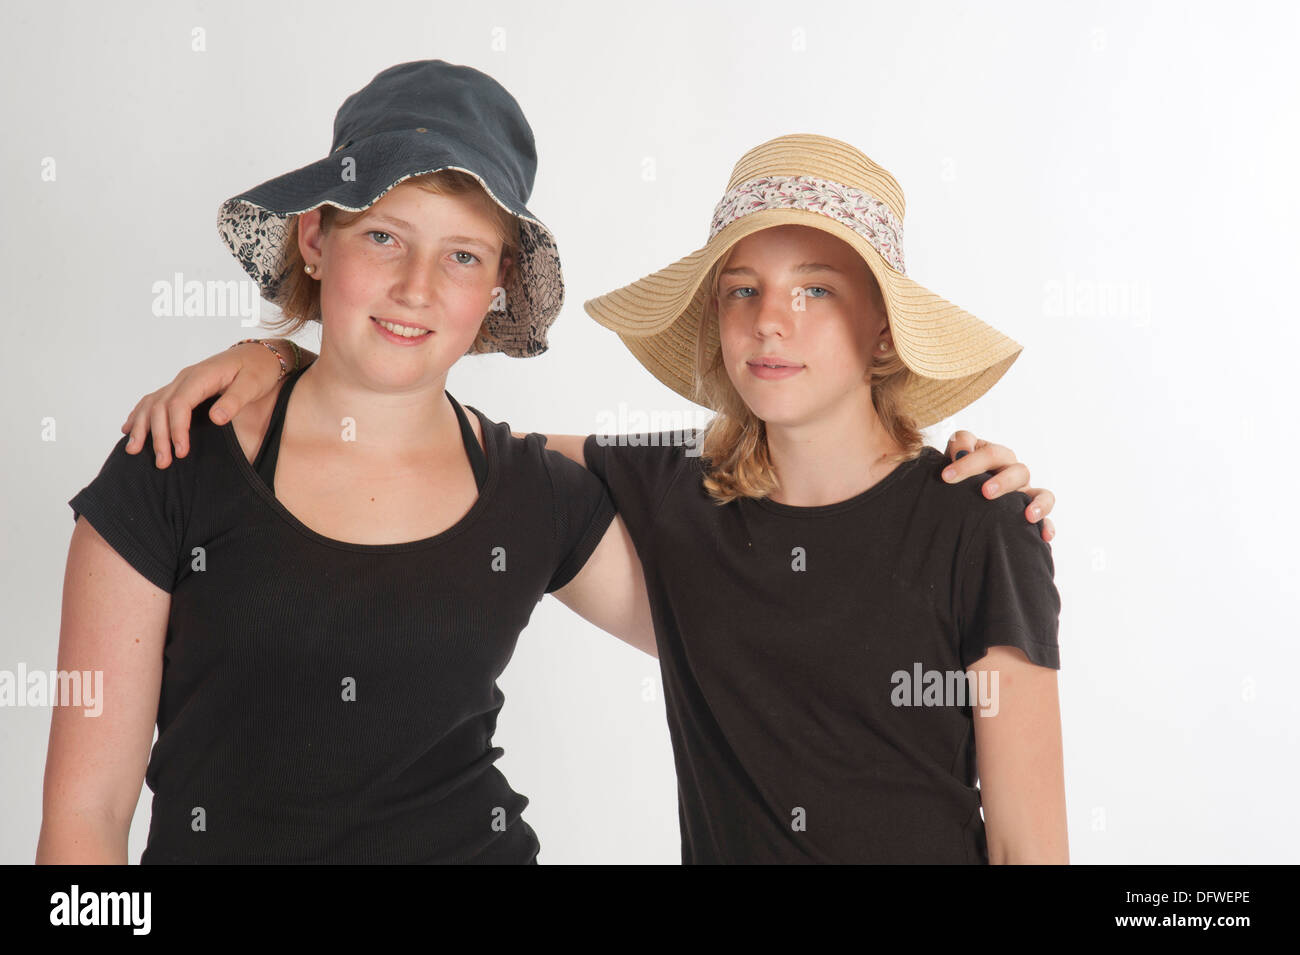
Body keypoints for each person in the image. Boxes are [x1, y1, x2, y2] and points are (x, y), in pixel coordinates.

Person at [117, 134, 1064, 863]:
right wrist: (280, 357)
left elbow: (1030, 846)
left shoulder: (976, 519)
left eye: (817, 289)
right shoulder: (669, 494)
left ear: (887, 333)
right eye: (743, 289)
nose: (773, 319)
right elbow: (429, 429)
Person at [38, 60, 632, 864]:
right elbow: (86, 818)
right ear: (317, 238)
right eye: (384, 235)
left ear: (499, 283)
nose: (416, 287)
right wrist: (276, 355)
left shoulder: (536, 494)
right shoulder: (175, 460)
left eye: (462, 256)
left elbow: (752, 620)